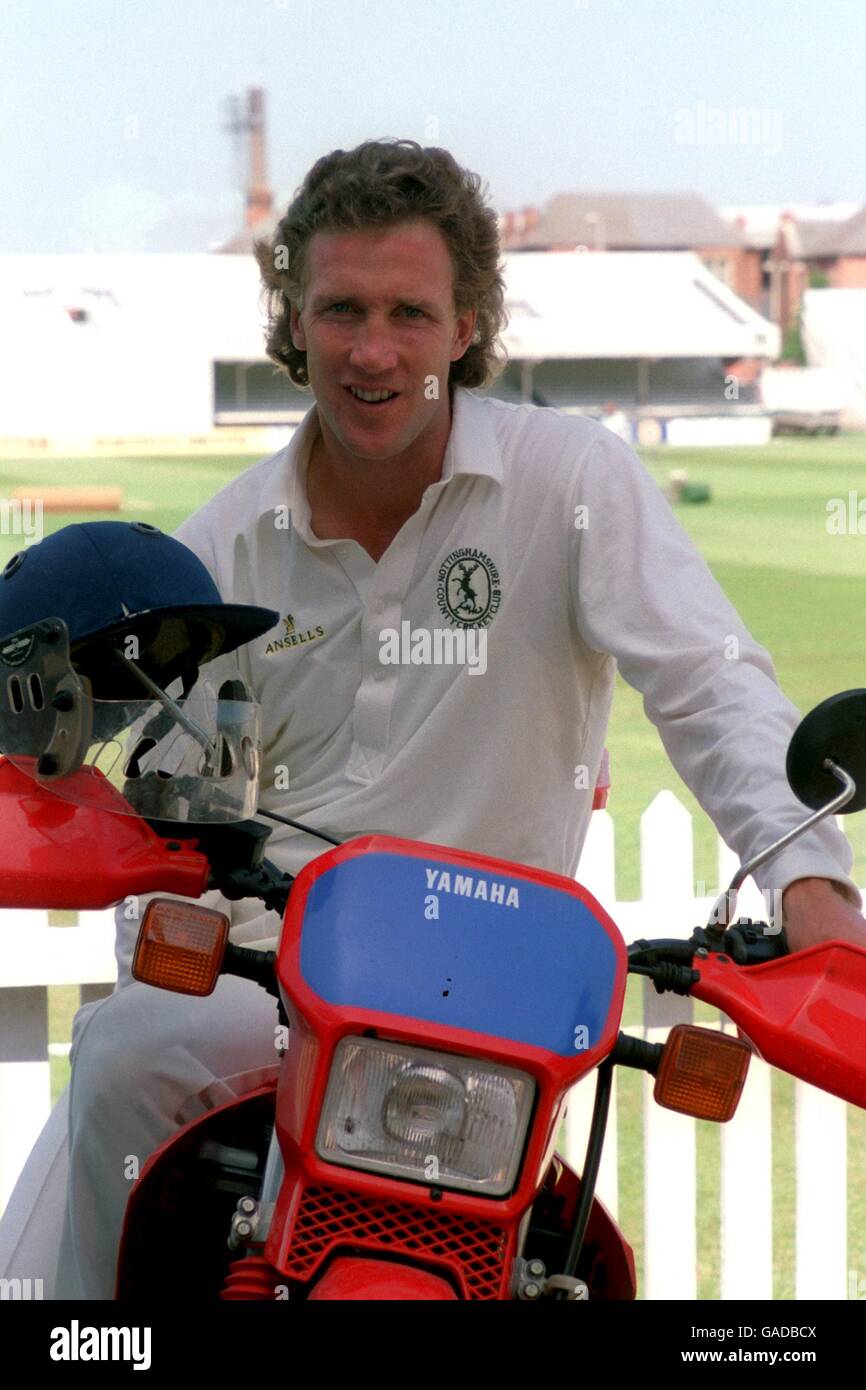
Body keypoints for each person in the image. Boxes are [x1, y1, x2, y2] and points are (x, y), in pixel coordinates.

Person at [4, 138, 864, 1300]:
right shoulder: (225, 542)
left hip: (500, 998)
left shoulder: (571, 484)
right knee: (121, 1054)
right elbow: (145, 789)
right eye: (340, 310)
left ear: (465, 325)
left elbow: (707, 682)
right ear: (293, 320)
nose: (372, 351)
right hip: (271, 990)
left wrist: (809, 881)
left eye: (408, 313)